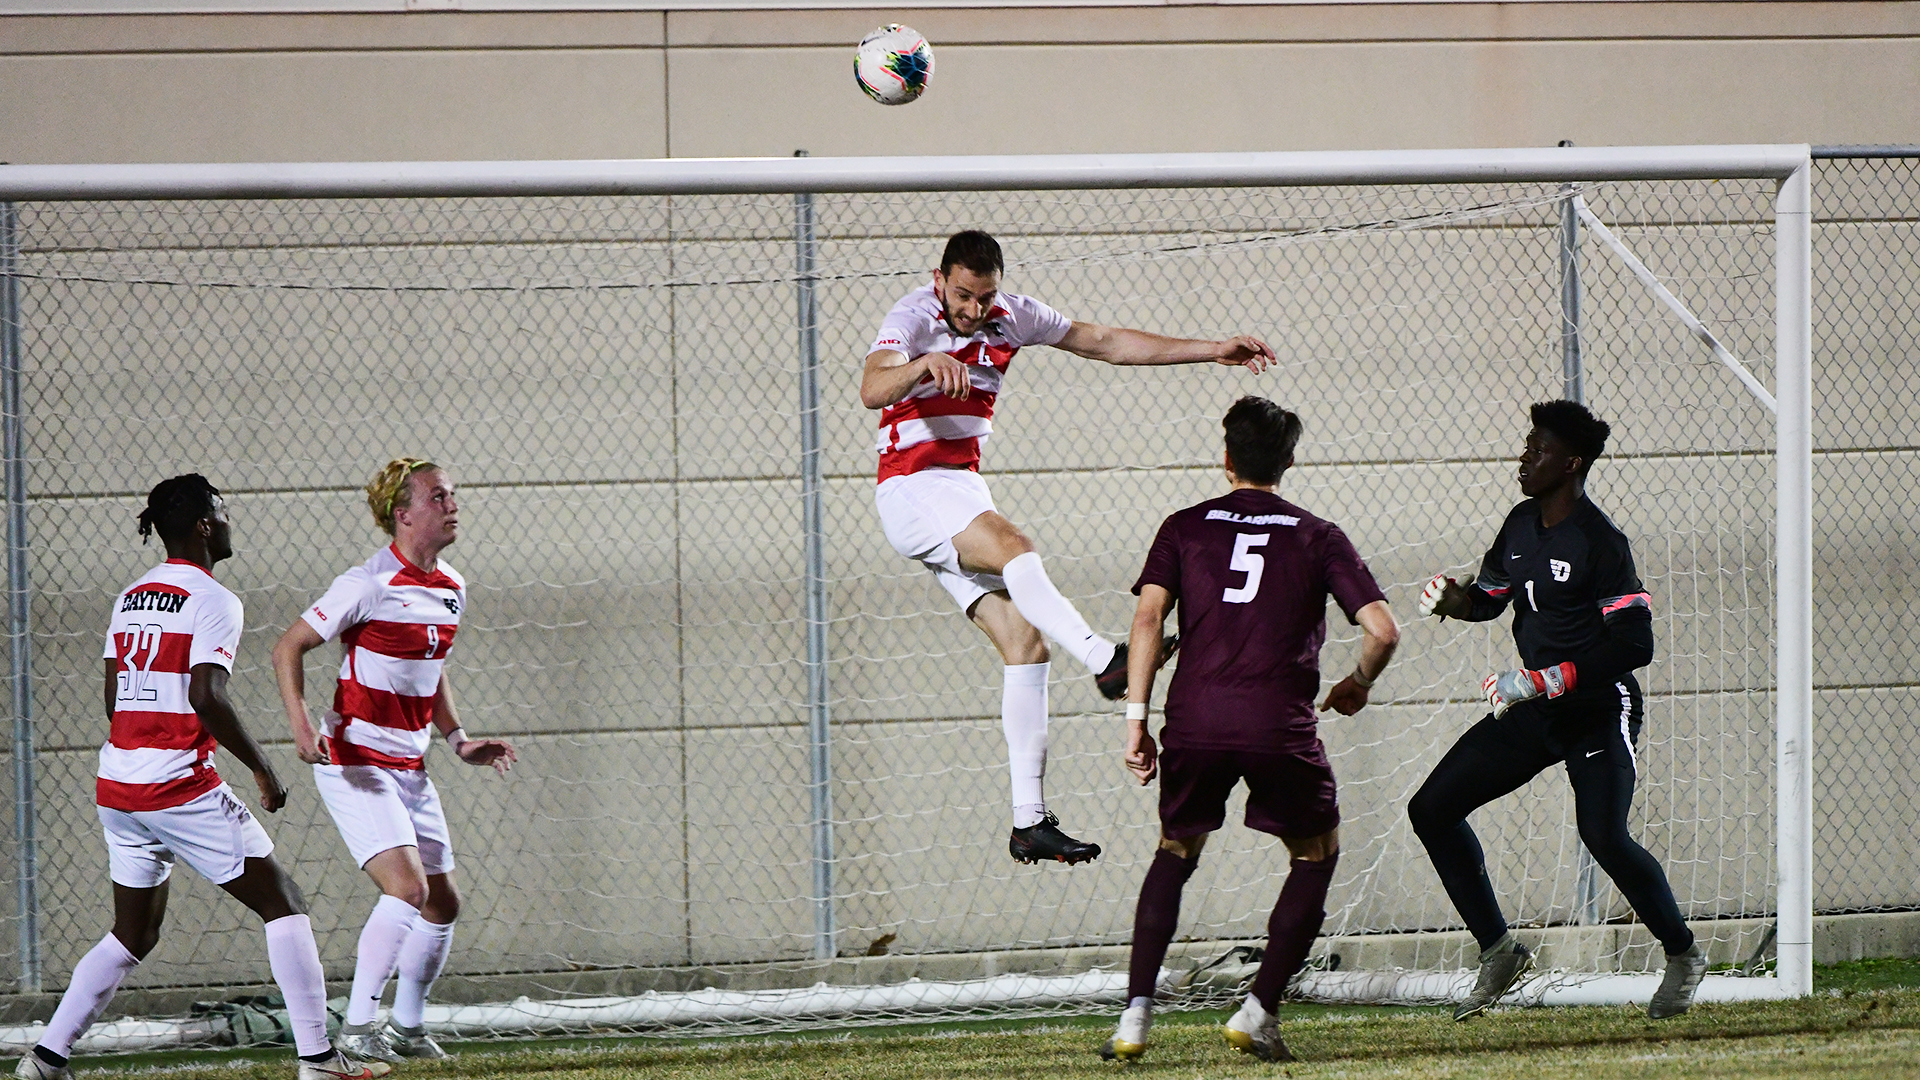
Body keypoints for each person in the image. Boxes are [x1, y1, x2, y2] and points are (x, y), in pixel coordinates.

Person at [862, 230, 1276, 864]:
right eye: (963, 295)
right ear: (939, 278)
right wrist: (919, 366)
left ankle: (1029, 820)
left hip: (959, 487)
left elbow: (1105, 342)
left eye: (985, 296)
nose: (974, 310)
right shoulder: (912, 316)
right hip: (912, 488)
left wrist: (1210, 350)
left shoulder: (1012, 316)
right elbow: (871, 389)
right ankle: (1103, 659)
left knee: (1026, 646)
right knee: (1016, 547)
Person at [13, 476, 386, 1080]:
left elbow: (114, 699)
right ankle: (320, 1061)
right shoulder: (214, 599)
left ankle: (45, 1059)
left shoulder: (131, 595)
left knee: (132, 933)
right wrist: (263, 767)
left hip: (118, 784)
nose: (231, 519)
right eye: (223, 510)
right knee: (284, 903)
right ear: (206, 526)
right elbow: (206, 694)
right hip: (175, 785)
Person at [1101, 398, 1399, 1063]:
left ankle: (1135, 1020)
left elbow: (1146, 623)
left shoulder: (1182, 526)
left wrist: (1136, 722)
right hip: (1277, 726)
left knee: (1175, 849)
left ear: (1226, 456)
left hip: (1196, 719)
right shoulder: (1318, 534)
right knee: (1315, 853)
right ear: (1289, 461)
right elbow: (1382, 630)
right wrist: (1358, 683)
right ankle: (1258, 1011)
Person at [1409, 400, 1706, 1021]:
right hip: (1536, 707)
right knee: (1431, 809)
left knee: (1602, 834)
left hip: (1597, 708)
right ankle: (1499, 949)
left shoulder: (1602, 542)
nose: (1525, 457)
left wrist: (1552, 677)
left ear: (1572, 464)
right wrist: (1452, 601)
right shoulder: (1519, 524)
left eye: (1538, 450)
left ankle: (1682, 954)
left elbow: (1634, 644)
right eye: (1526, 445)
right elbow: (1489, 600)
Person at [272, 459, 517, 1062]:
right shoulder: (369, 582)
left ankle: (405, 1029)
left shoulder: (452, 586)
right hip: (354, 758)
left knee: (443, 902)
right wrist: (301, 723)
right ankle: (356, 1033)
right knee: (407, 888)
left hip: (410, 765)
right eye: (439, 496)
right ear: (403, 514)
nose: (452, 504)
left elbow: (430, 675)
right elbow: (289, 646)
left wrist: (460, 740)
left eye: (453, 494)